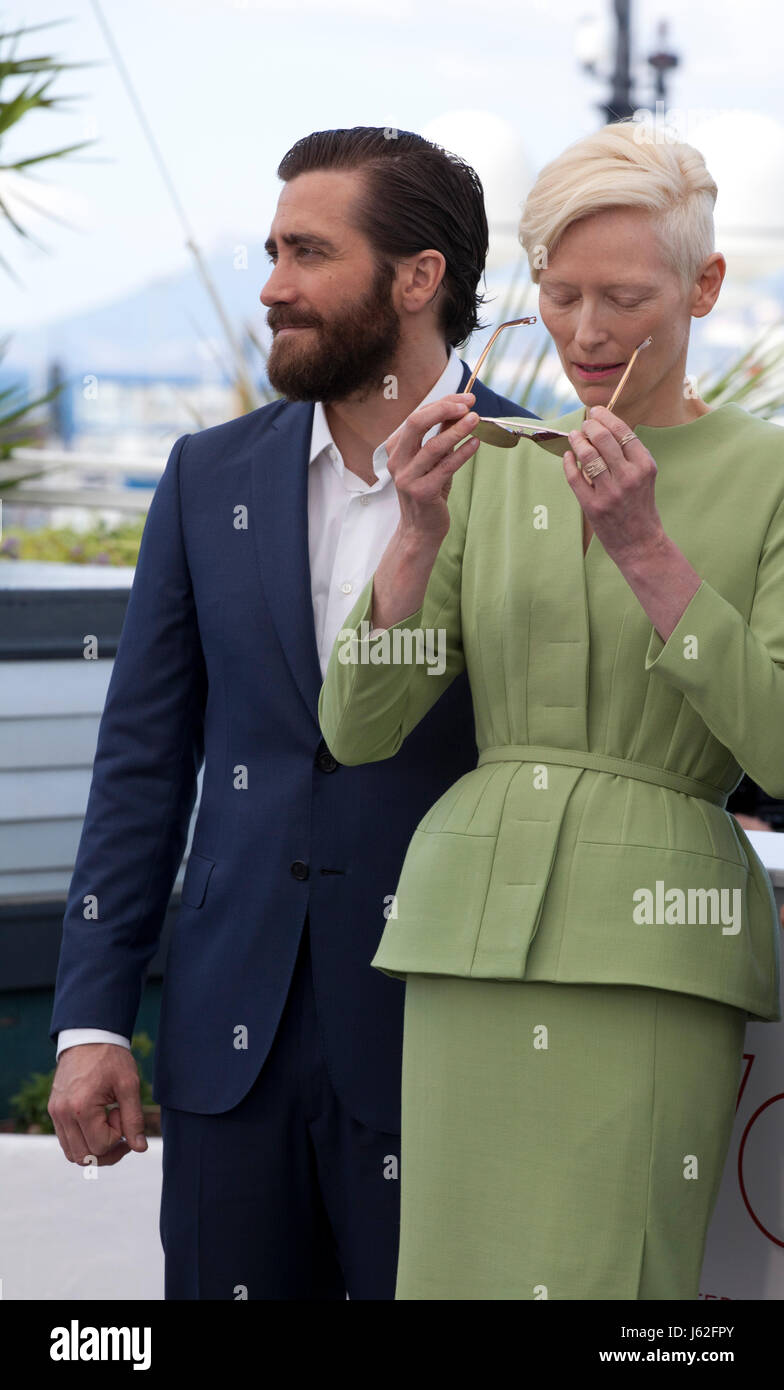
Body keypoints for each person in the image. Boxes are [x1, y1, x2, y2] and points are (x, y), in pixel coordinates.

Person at [46, 126, 535, 1300]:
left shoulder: (547, 475)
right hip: (230, 1046)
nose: (271, 286)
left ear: (419, 278)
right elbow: (142, 765)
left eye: (308, 252)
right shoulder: (205, 477)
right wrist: (90, 1021)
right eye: (271, 250)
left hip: (449, 1041)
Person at [318, 120, 784, 1300]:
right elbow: (357, 728)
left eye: (622, 295)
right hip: (465, 940)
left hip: (655, 944)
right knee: (455, 1276)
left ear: (705, 285)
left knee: (612, 1282)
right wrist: (415, 536)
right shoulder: (493, 461)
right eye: (559, 293)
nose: (584, 332)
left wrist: (646, 549)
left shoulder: (770, 477)